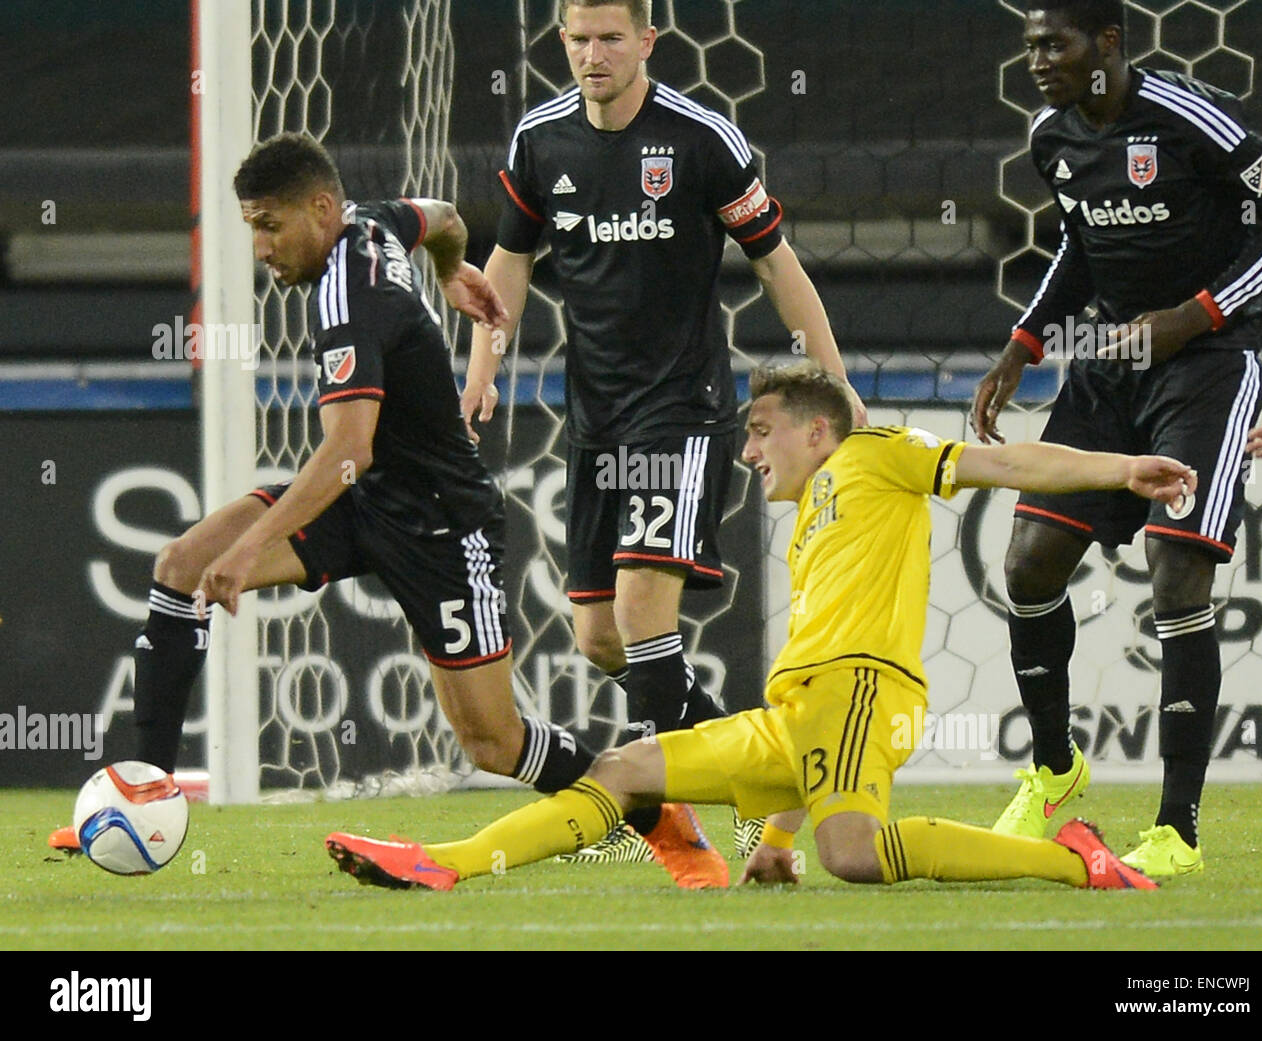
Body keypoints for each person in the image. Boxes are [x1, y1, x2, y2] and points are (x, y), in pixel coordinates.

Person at [322, 361, 1195, 892]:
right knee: (622, 769)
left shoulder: (877, 452)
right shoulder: (813, 512)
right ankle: (446, 860)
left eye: (760, 429)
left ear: (819, 429)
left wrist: (1124, 469)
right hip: (802, 710)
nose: (748, 450)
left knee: (852, 853)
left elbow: (1009, 461)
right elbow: (808, 755)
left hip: (862, 690)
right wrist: (775, 841)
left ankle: (1076, 860)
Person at [49, 133, 674, 862]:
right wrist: (452, 273)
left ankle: (661, 824)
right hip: (368, 499)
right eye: (252, 226)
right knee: (183, 563)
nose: (260, 247)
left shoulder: (350, 297)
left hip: (443, 523)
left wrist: (252, 543)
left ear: (320, 209)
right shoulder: (371, 220)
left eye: (270, 226)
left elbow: (349, 449)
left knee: (494, 742)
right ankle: (141, 795)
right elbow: (442, 216)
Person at [459, 0, 867, 864]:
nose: (592, 55)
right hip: (594, 418)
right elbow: (510, 261)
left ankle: (668, 820)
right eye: (577, 39)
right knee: (601, 637)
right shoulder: (540, 140)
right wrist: (482, 366)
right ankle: (773, 773)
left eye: (611, 38)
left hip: (682, 410)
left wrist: (833, 384)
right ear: (560, 43)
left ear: (649, 41)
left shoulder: (700, 139)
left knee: (645, 611)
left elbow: (776, 262)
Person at [970, 0, 1262, 876]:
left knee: (1176, 570)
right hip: (1108, 367)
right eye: (1031, 45)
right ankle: (1052, 770)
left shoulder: (1189, 116)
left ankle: (1177, 830)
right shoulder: (1053, 137)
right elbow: (1079, 241)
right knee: (1028, 561)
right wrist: (1023, 344)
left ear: (1107, 43)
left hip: (1208, 368)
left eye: (1056, 44)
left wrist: (1191, 319)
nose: (1039, 60)